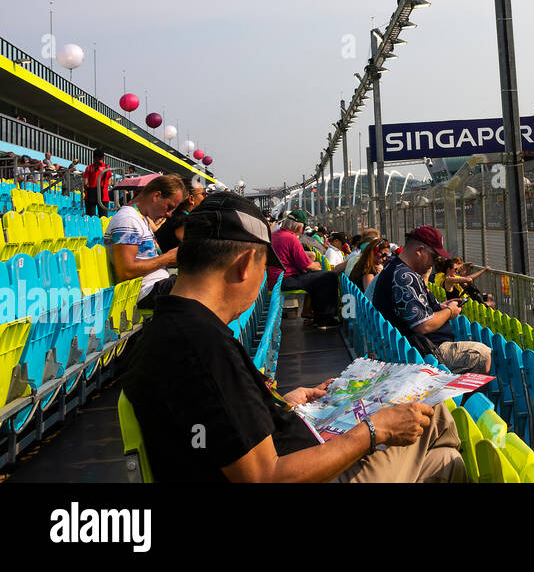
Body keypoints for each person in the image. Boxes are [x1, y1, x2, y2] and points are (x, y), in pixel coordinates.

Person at [120, 192, 465, 483]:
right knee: (437, 416)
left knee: (447, 461)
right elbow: (266, 477)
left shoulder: (171, 330)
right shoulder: (204, 347)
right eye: (262, 269)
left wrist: (281, 405)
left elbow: (220, 424)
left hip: (293, 447)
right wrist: (373, 430)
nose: (263, 282)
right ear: (244, 265)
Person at [370, 226, 491, 374]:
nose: (434, 263)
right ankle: (469, 398)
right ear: (420, 250)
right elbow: (423, 326)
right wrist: (449, 311)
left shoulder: (397, 270)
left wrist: (439, 307)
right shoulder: (404, 276)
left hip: (411, 347)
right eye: (434, 257)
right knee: (483, 355)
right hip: (424, 351)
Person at [108, 174, 186, 308]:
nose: (169, 214)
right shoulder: (128, 219)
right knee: (204, 282)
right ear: (157, 196)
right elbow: (126, 271)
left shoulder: (139, 219)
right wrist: (166, 259)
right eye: (169, 206)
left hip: (155, 286)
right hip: (145, 292)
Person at [269, 210, 340, 328]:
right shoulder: (291, 238)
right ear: (299, 227)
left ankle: (314, 314)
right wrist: (317, 265)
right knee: (329, 276)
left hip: (275, 279)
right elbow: (306, 265)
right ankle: (325, 318)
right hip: (285, 280)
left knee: (316, 278)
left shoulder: (275, 234)